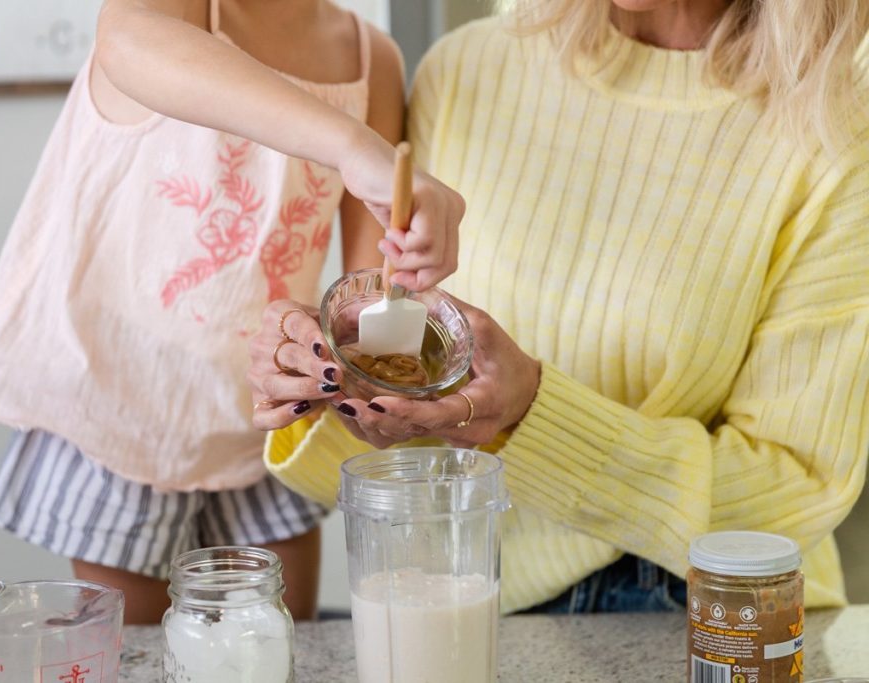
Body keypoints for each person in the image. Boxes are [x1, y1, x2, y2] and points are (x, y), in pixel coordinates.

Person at [250, 0, 869, 613]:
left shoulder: (836, 134)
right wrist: (343, 386)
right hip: (462, 582)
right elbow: (420, 425)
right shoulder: (467, 70)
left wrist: (530, 410)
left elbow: (793, 492)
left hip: (701, 601)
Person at [0, 0, 463, 623]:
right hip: (128, 408)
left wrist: (399, 285)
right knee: (136, 658)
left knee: (275, 646)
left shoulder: (371, 59)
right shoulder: (177, 12)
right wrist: (353, 144)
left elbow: (366, 286)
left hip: (265, 420)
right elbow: (126, 41)